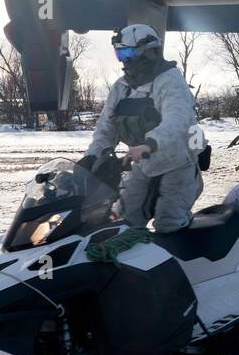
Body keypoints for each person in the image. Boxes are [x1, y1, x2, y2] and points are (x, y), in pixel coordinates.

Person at [78, 24, 203, 233]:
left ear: (149, 51)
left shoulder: (170, 80)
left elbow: (177, 119)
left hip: (178, 164)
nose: (124, 60)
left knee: (169, 223)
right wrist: (92, 156)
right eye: (120, 54)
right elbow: (105, 128)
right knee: (122, 221)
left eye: (128, 53)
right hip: (143, 166)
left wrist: (150, 144)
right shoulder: (122, 87)